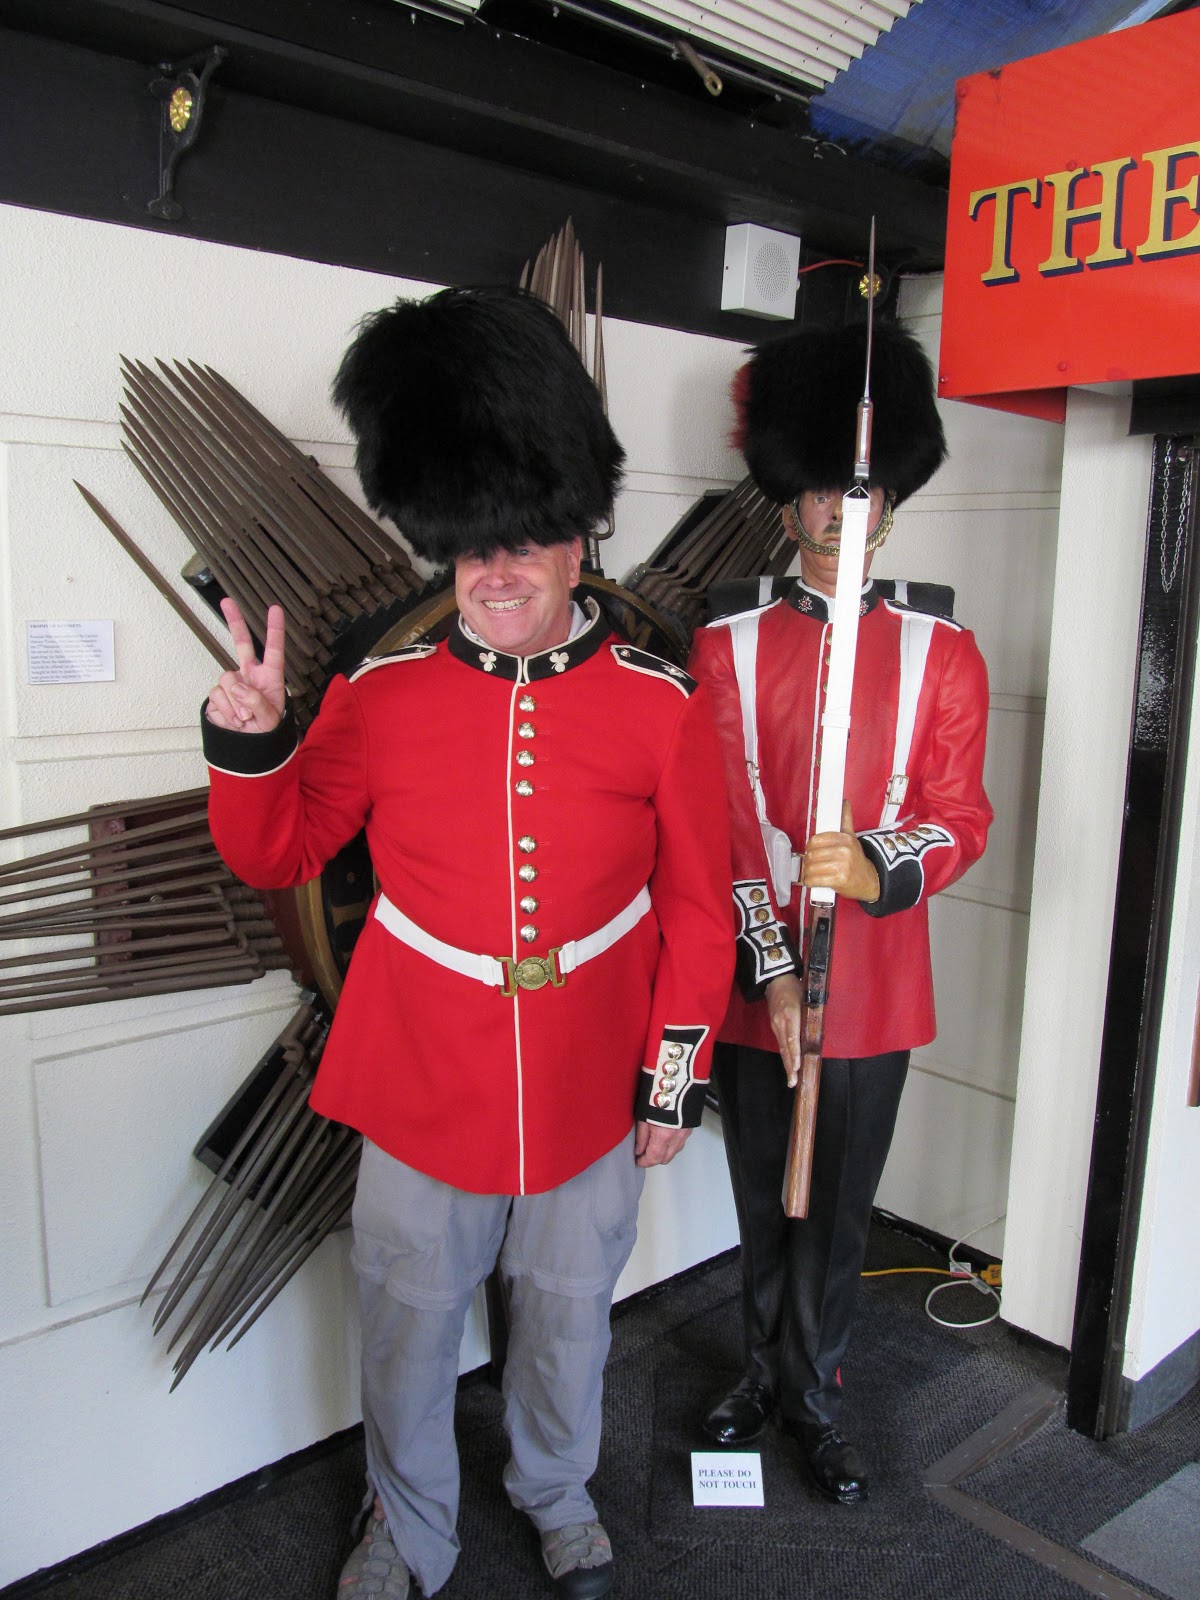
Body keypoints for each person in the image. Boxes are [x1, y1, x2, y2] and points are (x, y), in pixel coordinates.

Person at [200, 286, 733, 1599]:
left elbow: (700, 907)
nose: (497, 570)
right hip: (420, 1075)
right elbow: (278, 853)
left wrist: (672, 1077)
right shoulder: (376, 697)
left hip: (592, 1076)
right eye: (471, 544)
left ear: (575, 537)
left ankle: (554, 1485)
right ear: (439, 541)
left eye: (527, 538)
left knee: (564, 1323)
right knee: (405, 1326)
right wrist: (253, 740)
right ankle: (408, 1524)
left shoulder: (664, 707)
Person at [687, 320, 993, 1504]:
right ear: (785, 502)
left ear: (894, 505)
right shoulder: (725, 644)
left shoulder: (944, 651)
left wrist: (872, 863)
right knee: (763, 1195)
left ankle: (818, 1388)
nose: (836, 508)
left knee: (841, 1208)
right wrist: (770, 967)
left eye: (860, 488)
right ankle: (760, 1372)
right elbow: (716, 825)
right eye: (816, 486)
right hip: (759, 979)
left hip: (877, 985)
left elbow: (961, 812)